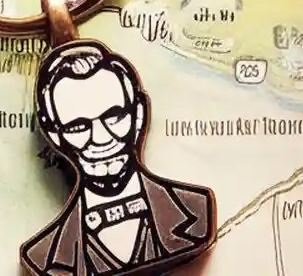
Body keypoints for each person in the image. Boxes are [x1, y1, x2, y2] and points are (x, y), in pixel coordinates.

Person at [21, 42, 215, 276]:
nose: (101, 139)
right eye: (78, 127)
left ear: (139, 114)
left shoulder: (197, 212)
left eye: (114, 117)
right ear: (55, 135)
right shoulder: (43, 258)